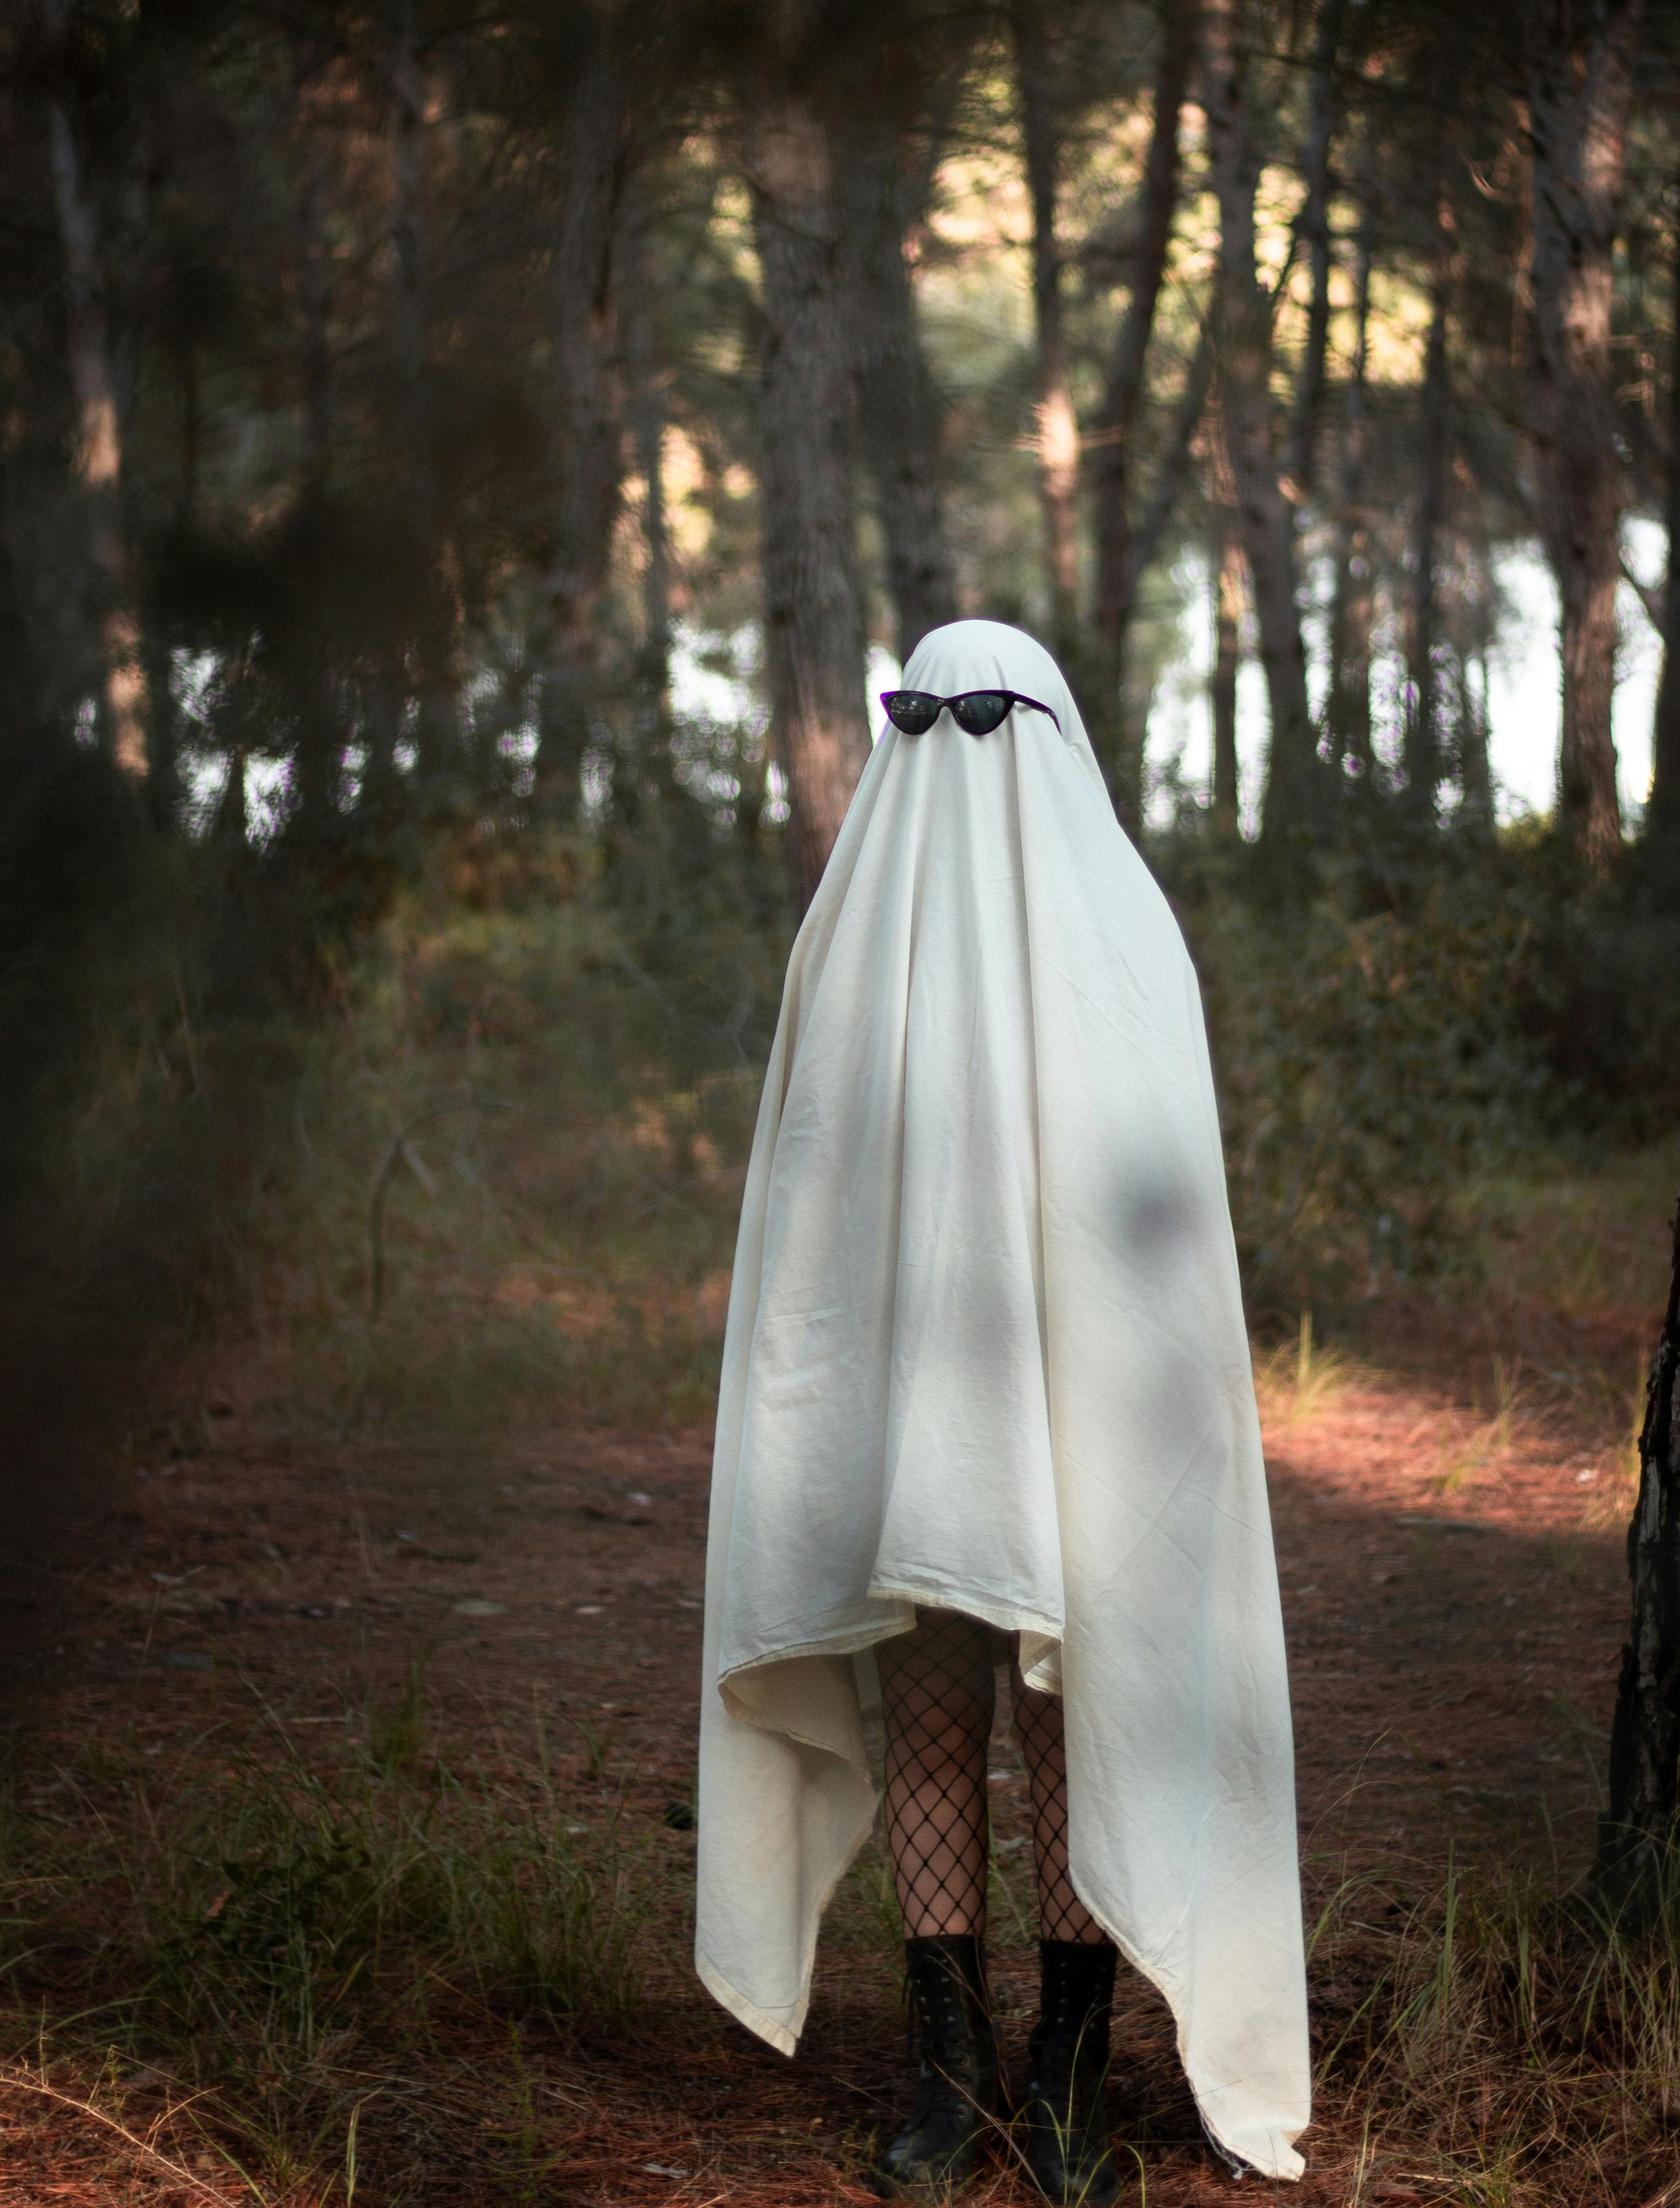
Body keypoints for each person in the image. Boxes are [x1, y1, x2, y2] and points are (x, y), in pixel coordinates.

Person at [696, 620, 1308, 2194]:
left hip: (1088, 1424)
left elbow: (1160, 1237)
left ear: (1040, 732)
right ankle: (948, 2079)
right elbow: (815, 1232)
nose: (961, 757)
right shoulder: (851, 946)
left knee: (1076, 1711)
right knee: (937, 1707)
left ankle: (1068, 2079)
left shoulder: (1125, 940)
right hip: (914, 1431)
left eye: (988, 721)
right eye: (932, 722)